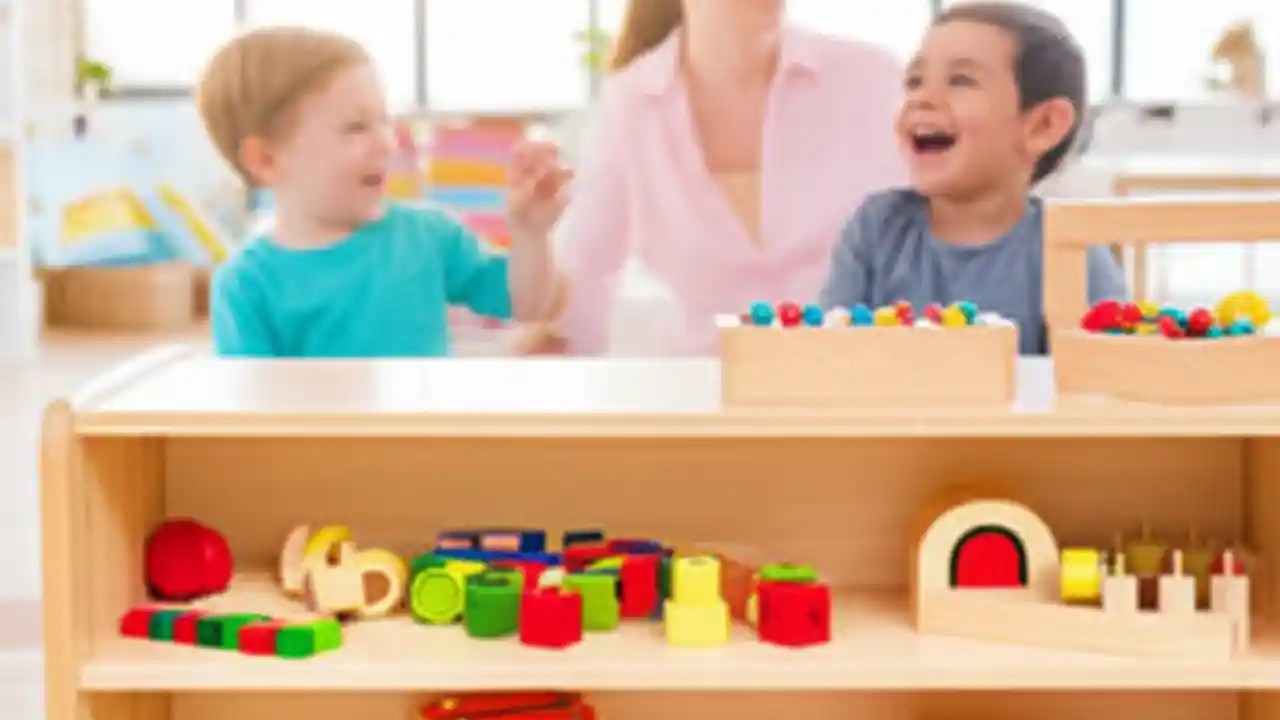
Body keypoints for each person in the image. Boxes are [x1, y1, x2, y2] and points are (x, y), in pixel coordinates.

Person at [532, 0, 906, 355]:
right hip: (700, 395)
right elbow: (585, 289)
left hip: (852, 390)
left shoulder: (874, 79)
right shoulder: (629, 105)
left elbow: (940, 240)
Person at [199, 27, 568, 358]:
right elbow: (251, 418)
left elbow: (528, 307)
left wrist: (530, 233)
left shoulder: (427, 235)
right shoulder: (246, 285)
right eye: (357, 127)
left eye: (385, 120)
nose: (388, 144)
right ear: (265, 159)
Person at [818, 2, 1125, 355]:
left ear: (1043, 126)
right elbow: (828, 358)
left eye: (961, 81)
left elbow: (1102, 380)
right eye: (914, 81)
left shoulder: (1068, 250)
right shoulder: (877, 228)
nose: (921, 98)